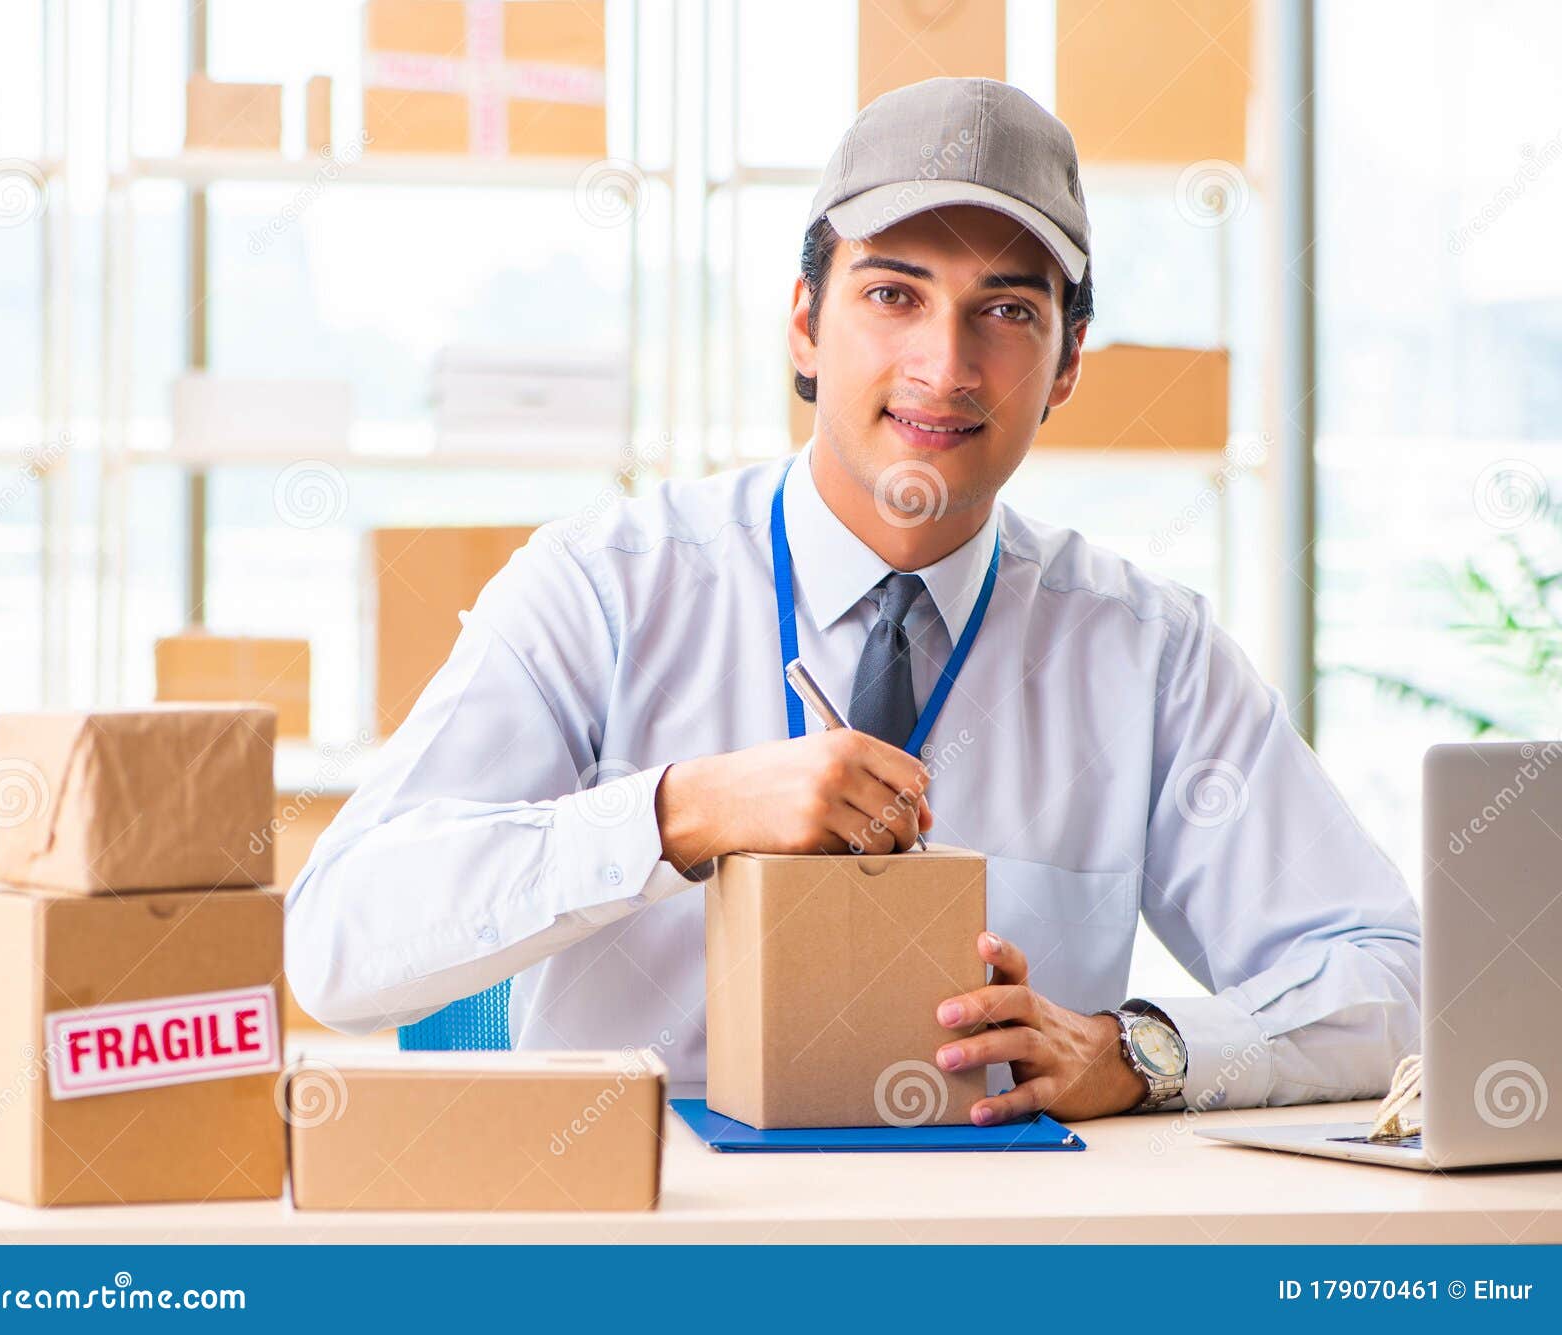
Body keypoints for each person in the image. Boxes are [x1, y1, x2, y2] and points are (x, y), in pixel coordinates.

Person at [285, 77, 1421, 1123]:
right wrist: (673, 815)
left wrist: (1143, 1052)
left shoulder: (1145, 650)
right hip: (659, 1226)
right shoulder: (606, 587)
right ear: (804, 325)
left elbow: (1397, 979)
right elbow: (338, 945)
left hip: (1000, 1235)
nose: (945, 366)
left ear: (1069, 363)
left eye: (1006, 312)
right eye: (892, 294)